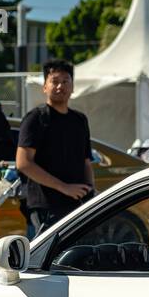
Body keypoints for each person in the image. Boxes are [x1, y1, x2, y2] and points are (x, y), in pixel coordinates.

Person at [17, 59, 95, 237]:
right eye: (54, 81)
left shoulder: (80, 120)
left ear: (73, 86)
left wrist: (90, 192)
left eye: (66, 81)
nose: (60, 86)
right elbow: (23, 163)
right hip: (46, 207)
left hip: (78, 205)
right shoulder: (36, 118)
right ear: (45, 86)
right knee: (47, 261)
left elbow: (86, 162)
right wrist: (64, 187)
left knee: (76, 259)